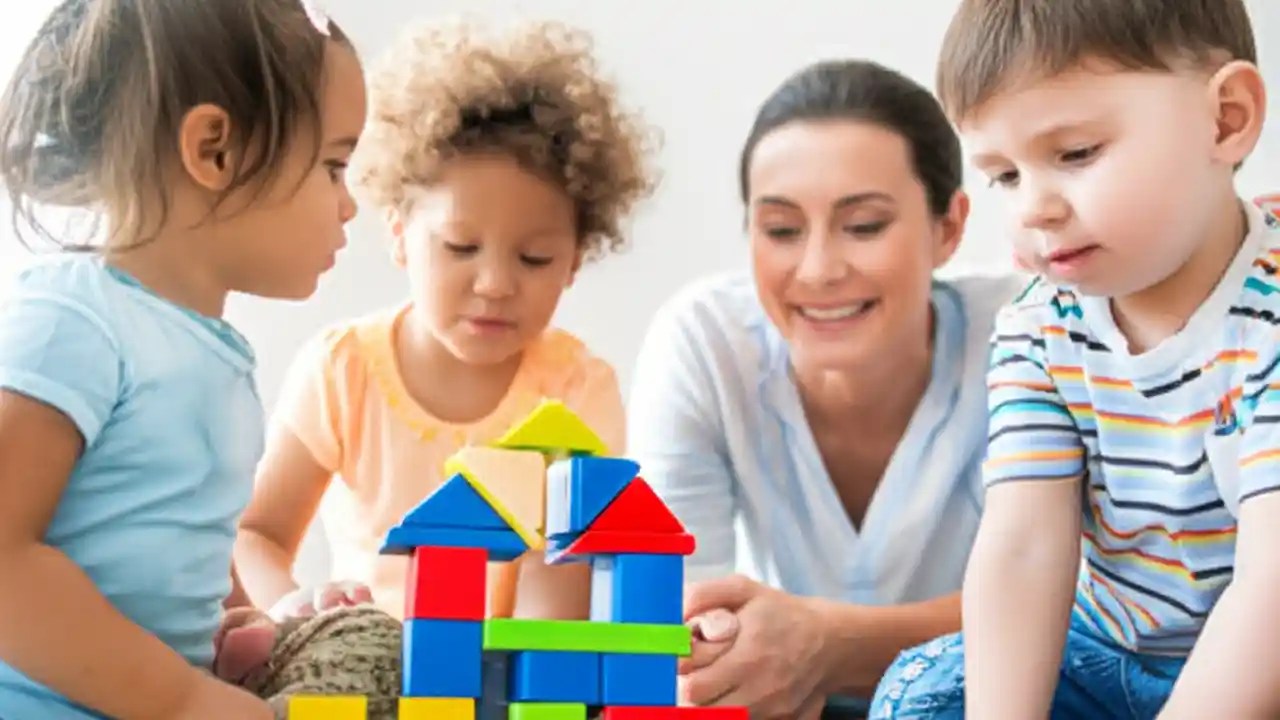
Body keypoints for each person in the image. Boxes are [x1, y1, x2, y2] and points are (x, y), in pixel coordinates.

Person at [871, 1, 1276, 718]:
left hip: (1259, 663)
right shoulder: (1038, 326)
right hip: (1109, 654)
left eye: (1076, 154)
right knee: (927, 686)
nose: (1033, 208)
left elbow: (1269, 592)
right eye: (1005, 176)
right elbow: (1024, 547)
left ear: (1226, 119)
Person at [0, 0, 368, 718]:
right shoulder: (75, 319)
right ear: (215, 151)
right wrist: (178, 697)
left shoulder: (214, 354)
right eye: (334, 166)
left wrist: (230, 619)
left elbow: (171, 530)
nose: (348, 205)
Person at [625, 59, 1024, 718]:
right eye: (781, 230)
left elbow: (1094, 613)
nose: (817, 269)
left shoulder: (1026, 335)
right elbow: (676, 621)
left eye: (864, 225)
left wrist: (837, 644)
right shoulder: (703, 343)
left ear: (948, 228)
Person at [234, 18, 658, 624]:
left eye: (534, 259)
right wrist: (293, 607)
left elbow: (568, 570)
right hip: (365, 666)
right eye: (460, 247)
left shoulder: (576, 388)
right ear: (401, 237)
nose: (494, 285)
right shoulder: (342, 370)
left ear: (574, 263)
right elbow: (259, 535)